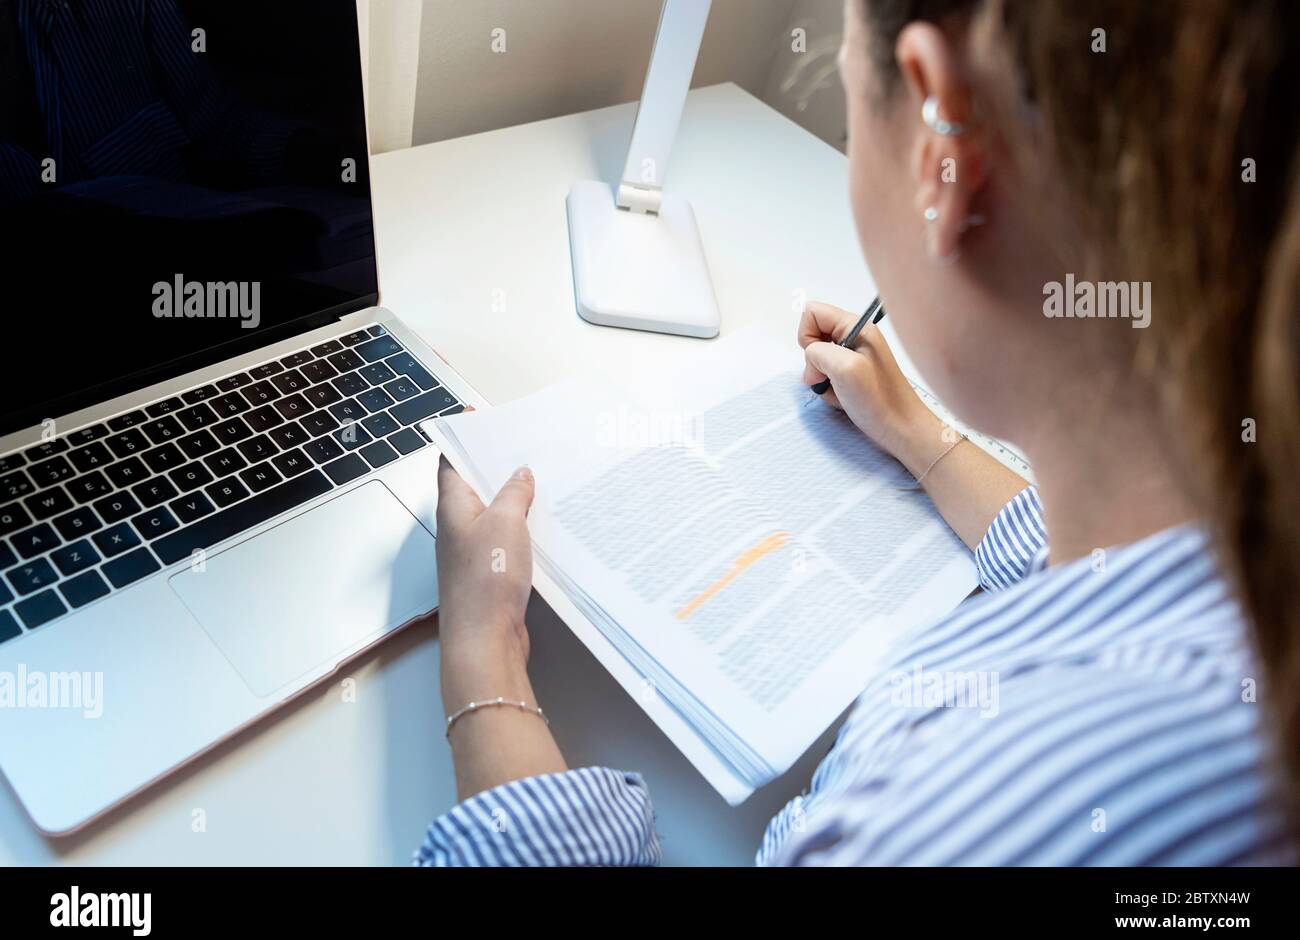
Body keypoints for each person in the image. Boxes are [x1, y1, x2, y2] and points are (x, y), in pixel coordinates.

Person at [416, 0, 1298, 865]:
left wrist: (482, 656)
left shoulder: (934, 821)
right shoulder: (1231, 549)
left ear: (942, 149)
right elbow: (1096, 579)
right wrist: (919, 434)